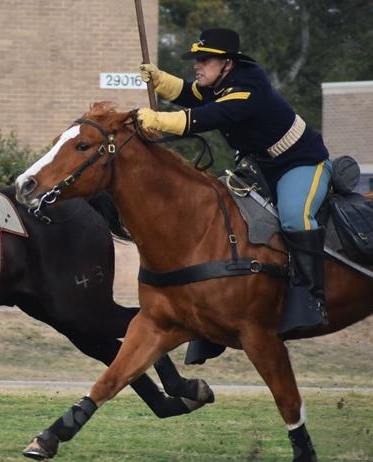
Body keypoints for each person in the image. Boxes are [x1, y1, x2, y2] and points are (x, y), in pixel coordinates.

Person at [136, 28, 331, 334]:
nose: (197, 64)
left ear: (227, 63)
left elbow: (203, 118)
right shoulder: (220, 83)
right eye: (197, 59)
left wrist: (157, 120)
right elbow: (191, 93)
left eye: (205, 59)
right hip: (259, 168)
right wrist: (160, 79)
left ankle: (311, 298)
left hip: (301, 162)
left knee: (294, 217)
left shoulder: (247, 87)